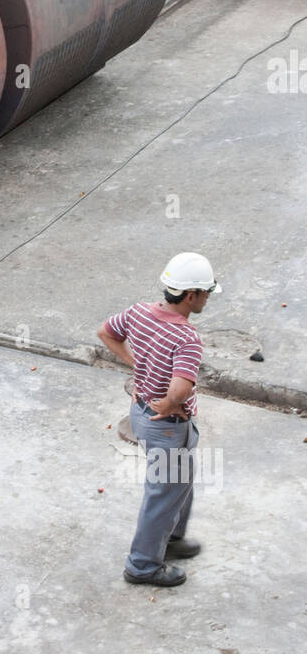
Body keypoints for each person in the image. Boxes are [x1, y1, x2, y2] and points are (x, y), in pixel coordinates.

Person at [97, 252, 221, 588]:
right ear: (191, 294)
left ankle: (172, 539)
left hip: (142, 415)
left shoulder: (138, 312)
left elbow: (106, 333)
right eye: (207, 292)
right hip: (165, 426)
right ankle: (142, 566)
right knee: (163, 493)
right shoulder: (186, 339)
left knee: (180, 482)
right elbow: (180, 390)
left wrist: (137, 366)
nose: (209, 298)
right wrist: (167, 404)